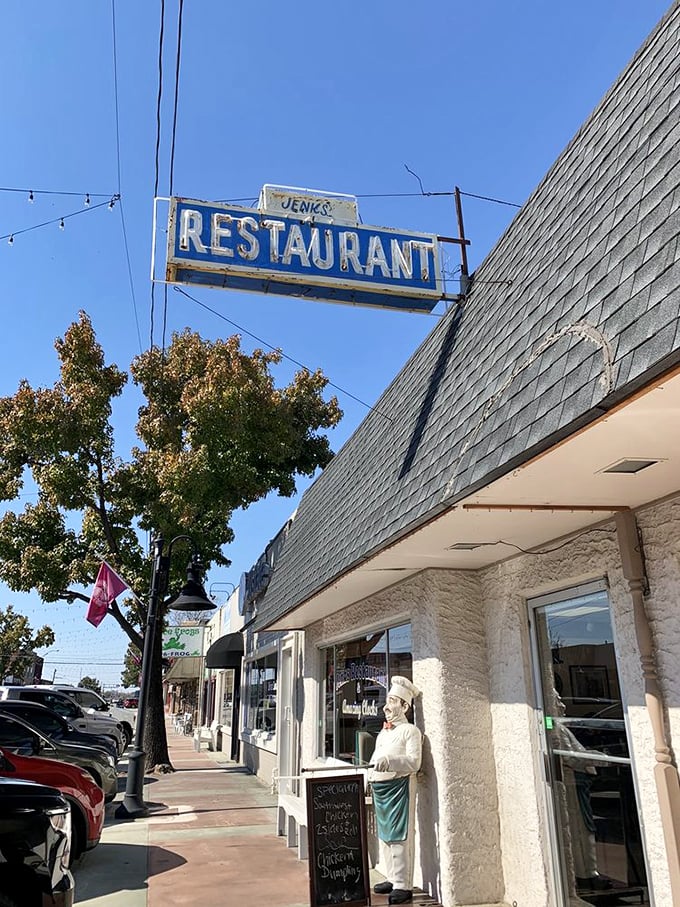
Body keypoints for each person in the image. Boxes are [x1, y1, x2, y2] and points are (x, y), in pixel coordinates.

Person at [369, 676, 422, 905]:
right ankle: (391, 877)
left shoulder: (410, 732)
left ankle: (402, 884)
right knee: (385, 837)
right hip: (380, 788)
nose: (386, 706)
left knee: (399, 837)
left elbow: (414, 762)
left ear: (405, 706)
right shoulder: (384, 732)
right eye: (387, 700)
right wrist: (367, 777)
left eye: (392, 701)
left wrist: (391, 761)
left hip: (398, 788)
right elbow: (374, 757)